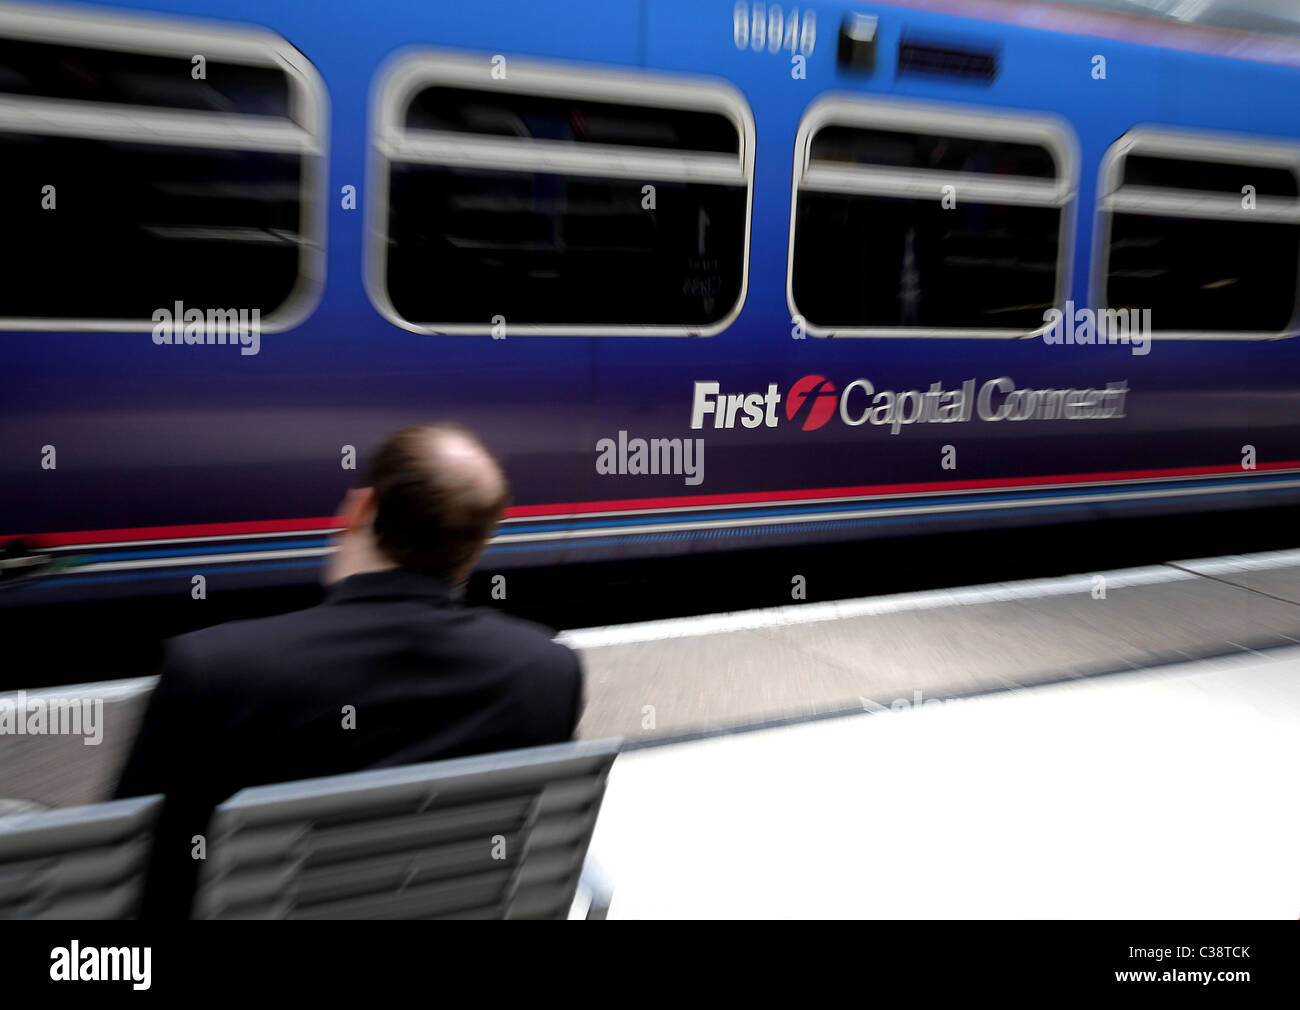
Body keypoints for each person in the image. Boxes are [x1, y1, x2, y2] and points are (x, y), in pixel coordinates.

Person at [115, 423, 584, 917]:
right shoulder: (549, 670)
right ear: (474, 549)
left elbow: (140, 879)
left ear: (362, 509)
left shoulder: (214, 670)